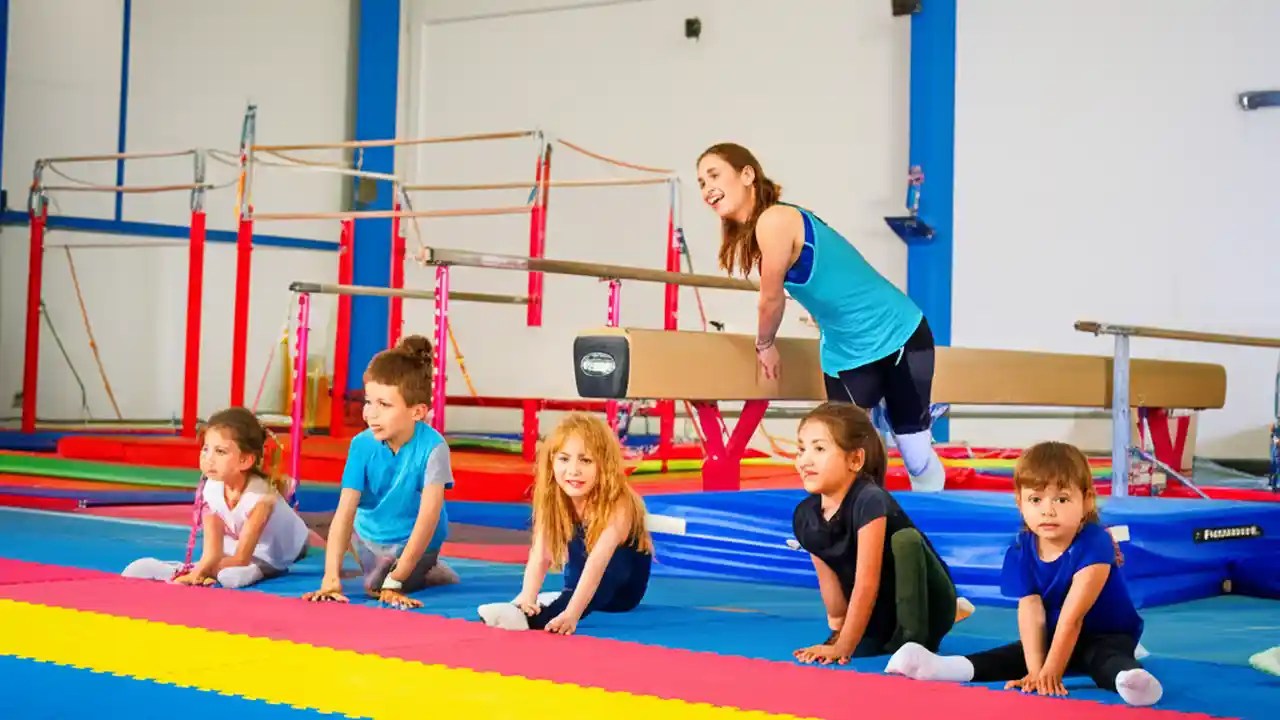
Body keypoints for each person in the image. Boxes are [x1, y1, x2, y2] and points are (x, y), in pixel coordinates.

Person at [696, 143, 945, 493]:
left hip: (899, 334)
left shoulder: (775, 219)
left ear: (747, 174)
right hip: (845, 352)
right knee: (845, 460)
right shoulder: (762, 231)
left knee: (916, 457)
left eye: (714, 175)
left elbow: (770, 299)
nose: (707, 189)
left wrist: (765, 343)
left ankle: (929, 519)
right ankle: (860, 532)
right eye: (701, 183)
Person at [884, 441, 1164, 707]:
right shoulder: (1021, 548)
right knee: (1015, 655)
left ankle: (1128, 678)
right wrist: (1035, 671)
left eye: (1062, 499)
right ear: (1020, 502)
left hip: (1106, 634)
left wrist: (1051, 672)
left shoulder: (1094, 542)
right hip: (1054, 634)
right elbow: (1030, 610)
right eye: (1036, 499)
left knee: (1103, 658)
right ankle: (944, 666)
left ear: (1087, 501)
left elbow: (1073, 617)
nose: (1048, 510)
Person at [790, 402, 965, 664]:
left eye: (819, 449)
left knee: (906, 540)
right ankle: (884, 635)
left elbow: (866, 581)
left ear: (855, 459)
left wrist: (845, 647)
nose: (805, 460)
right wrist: (838, 633)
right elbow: (829, 584)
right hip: (880, 610)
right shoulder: (806, 516)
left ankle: (915, 638)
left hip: (927, 603)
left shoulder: (869, 499)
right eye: (801, 449)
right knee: (863, 646)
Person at [302, 335, 459, 609]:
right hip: (369, 537)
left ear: (417, 412)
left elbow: (427, 519)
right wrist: (331, 577)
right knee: (328, 526)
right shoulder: (361, 445)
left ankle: (426, 569)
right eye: (368, 401)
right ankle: (395, 569)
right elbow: (345, 511)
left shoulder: (434, 448)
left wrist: (397, 580)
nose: (369, 414)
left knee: (378, 584)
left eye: (384, 405)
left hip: (413, 539)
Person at [476, 413, 653, 634]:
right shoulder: (555, 498)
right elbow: (540, 555)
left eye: (586, 460)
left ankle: (532, 619)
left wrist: (571, 615)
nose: (573, 470)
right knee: (552, 592)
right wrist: (528, 597)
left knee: (594, 585)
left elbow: (597, 564)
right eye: (564, 459)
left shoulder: (619, 504)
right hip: (577, 583)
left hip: (619, 591)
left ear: (604, 466)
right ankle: (532, 608)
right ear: (551, 462)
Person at [121, 406, 309, 588]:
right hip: (242, 540)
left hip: (284, 547)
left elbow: (241, 557)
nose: (208, 459)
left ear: (245, 460)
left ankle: (256, 571)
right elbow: (212, 552)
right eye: (205, 449)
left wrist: (206, 571)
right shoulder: (212, 489)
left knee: (239, 568)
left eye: (220, 451)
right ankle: (180, 569)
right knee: (218, 564)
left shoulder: (260, 497)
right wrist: (196, 572)